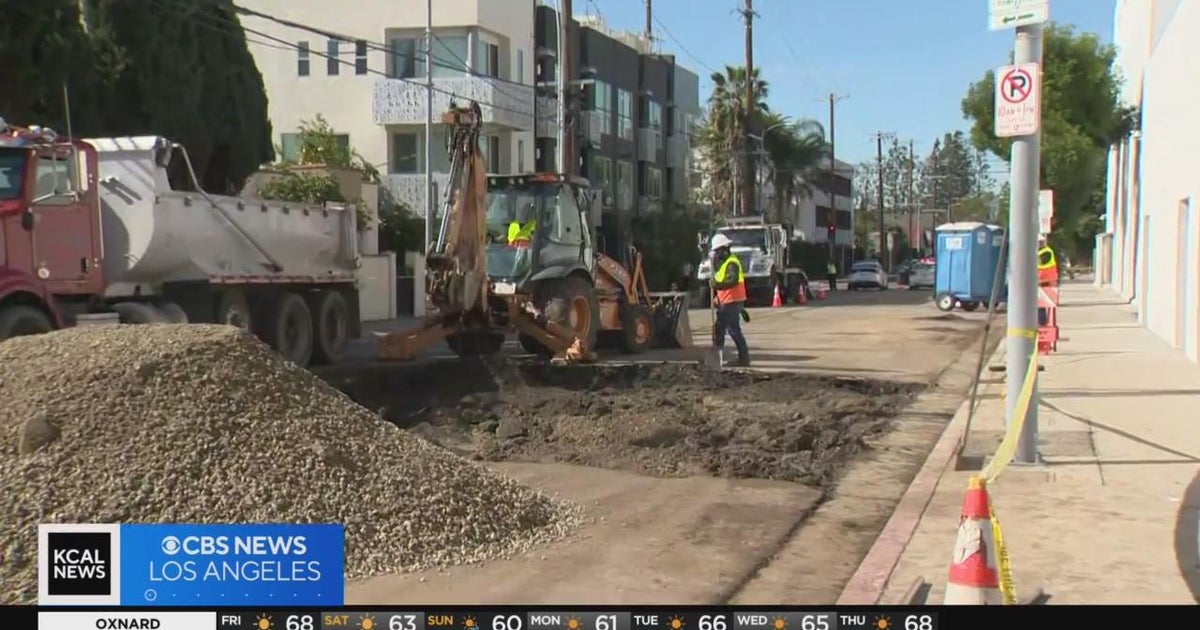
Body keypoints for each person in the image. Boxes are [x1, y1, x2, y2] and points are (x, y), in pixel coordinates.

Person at [709, 233, 750, 366]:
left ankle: (739, 359)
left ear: (724, 249)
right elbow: (723, 282)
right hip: (727, 301)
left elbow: (731, 281)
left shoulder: (732, 263)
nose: (716, 254)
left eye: (718, 251)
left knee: (729, 329)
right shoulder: (724, 263)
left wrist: (716, 285)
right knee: (725, 329)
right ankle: (721, 358)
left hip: (732, 301)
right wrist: (717, 296)